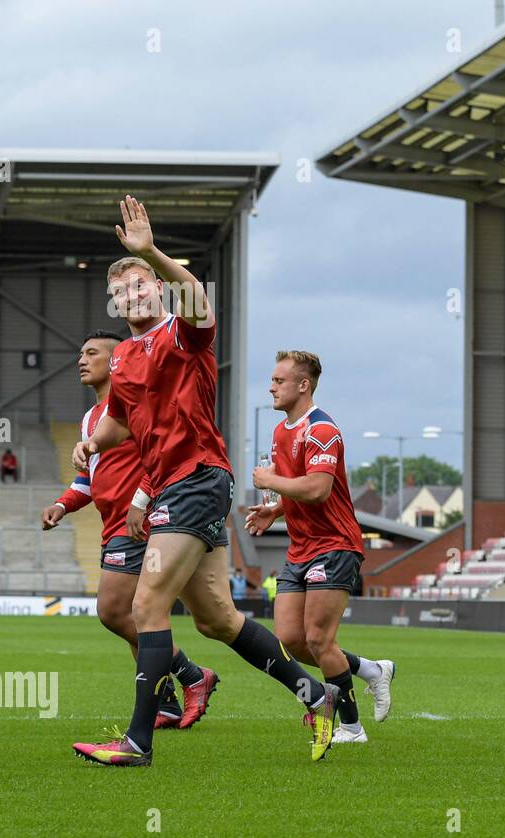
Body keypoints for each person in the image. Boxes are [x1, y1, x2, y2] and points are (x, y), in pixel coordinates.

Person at [71, 195, 340, 767]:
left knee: (147, 604)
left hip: (197, 480)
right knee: (218, 618)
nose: (133, 295)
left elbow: (195, 297)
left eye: (141, 284)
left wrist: (153, 253)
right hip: (171, 487)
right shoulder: (123, 360)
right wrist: (93, 442)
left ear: (160, 289)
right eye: (122, 290)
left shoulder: (182, 332)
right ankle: (316, 694)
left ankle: (138, 743)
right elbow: (121, 421)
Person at [42, 330, 215, 731]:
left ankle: (191, 676)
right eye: (80, 353)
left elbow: (162, 458)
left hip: (140, 522)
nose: (81, 360)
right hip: (113, 524)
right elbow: (87, 480)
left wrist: (142, 501)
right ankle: (168, 702)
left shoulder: (138, 406)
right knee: (139, 617)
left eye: (91, 353)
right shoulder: (91, 419)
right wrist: (61, 505)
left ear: (116, 360)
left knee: (117, 611)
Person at [246, 350, 396, 744]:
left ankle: (351, 727)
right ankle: (371, 671)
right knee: (291, 638)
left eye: (279, 381)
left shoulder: (322, 430)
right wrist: (275, 511)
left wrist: (270, 483)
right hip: (300, 548)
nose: (271, 387)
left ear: (303, 385)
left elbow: (317, 488)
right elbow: (300, 489)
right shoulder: (281, 432)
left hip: (335, 546)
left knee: (318, 640)